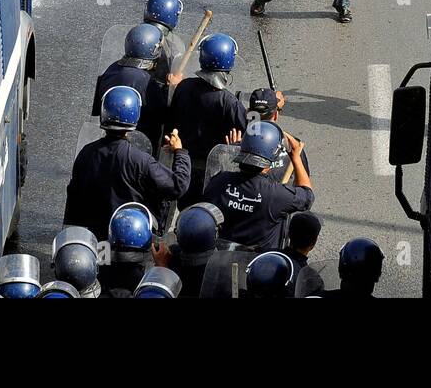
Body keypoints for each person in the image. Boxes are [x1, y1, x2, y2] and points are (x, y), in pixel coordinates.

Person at [63, 87, 191, 240]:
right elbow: (178, 186)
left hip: (93, 238)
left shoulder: (87, 152)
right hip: (130, 238)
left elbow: (74, 195)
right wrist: (180, 152)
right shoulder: (140, 160)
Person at [202, 121, 313, 252]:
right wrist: (296, 157)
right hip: (261, 266)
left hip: (220, 262)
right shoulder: (276, 195)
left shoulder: (219, 181)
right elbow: (307, 195)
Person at [169, 33, 247, 208]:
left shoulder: (184, 87)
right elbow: (244, 139)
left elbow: (172, 120)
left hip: (183, 164)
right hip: (213, 171)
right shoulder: (230, 103)